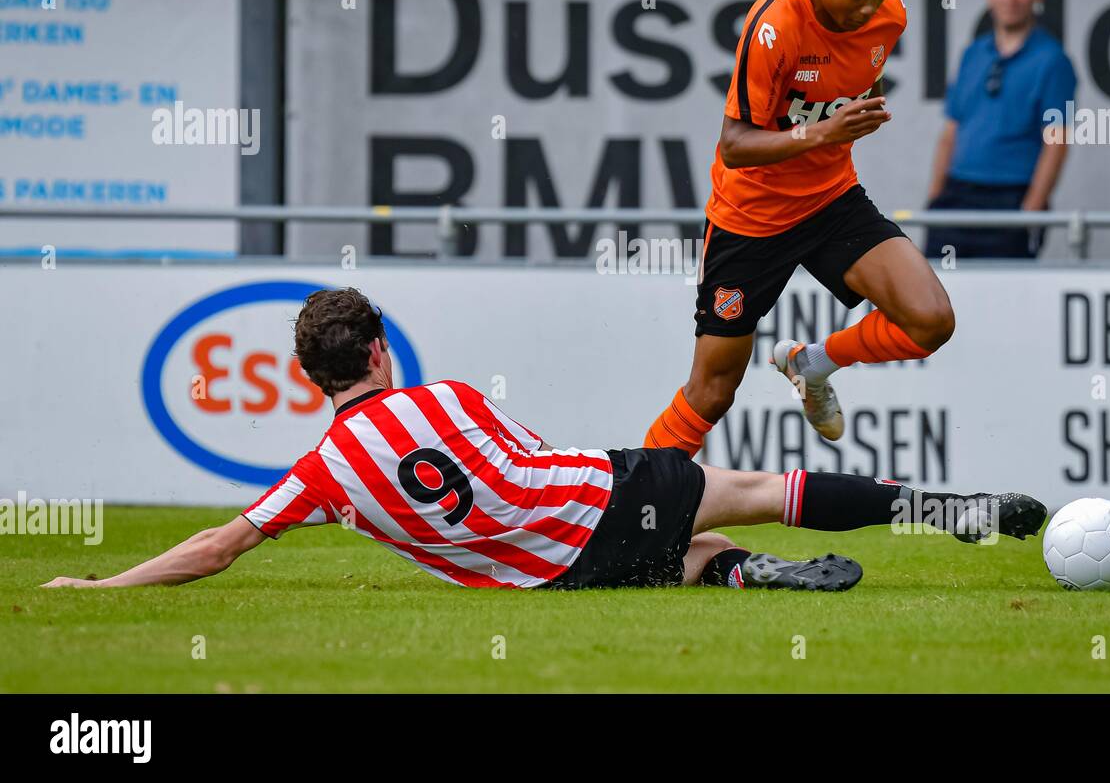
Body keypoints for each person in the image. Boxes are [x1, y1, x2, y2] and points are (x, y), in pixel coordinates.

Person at [42, 288, 1046, 593]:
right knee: (753, 482)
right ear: (381, 350)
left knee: (683, 555)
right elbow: (527, 455)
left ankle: (750, 578)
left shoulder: (320, 474)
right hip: (592, 492)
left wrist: (101, 589)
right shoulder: (445, 397)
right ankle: (946, 509)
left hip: (544, 577)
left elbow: (219, 543)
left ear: (314, 378)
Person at [642, 0, 954, 456]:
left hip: (831, 200)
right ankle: (629, 507)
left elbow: (859, 78)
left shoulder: (890, 16)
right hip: (751, 219)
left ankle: (812, 363)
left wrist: (845, 123)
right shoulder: (773, 27)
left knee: (930, 320)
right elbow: (735, 146)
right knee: (713, 393)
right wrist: (825, 132)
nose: (870, 7)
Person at [924, 0, 1077, 259]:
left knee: (1005, 300)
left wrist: (1031, 210)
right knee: (934, 300)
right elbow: (951, 130)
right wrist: (935, 197)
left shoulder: (1054, 61)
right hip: (956, 196)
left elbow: (1057, 141)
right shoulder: (973, 54)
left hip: (1011, 197)